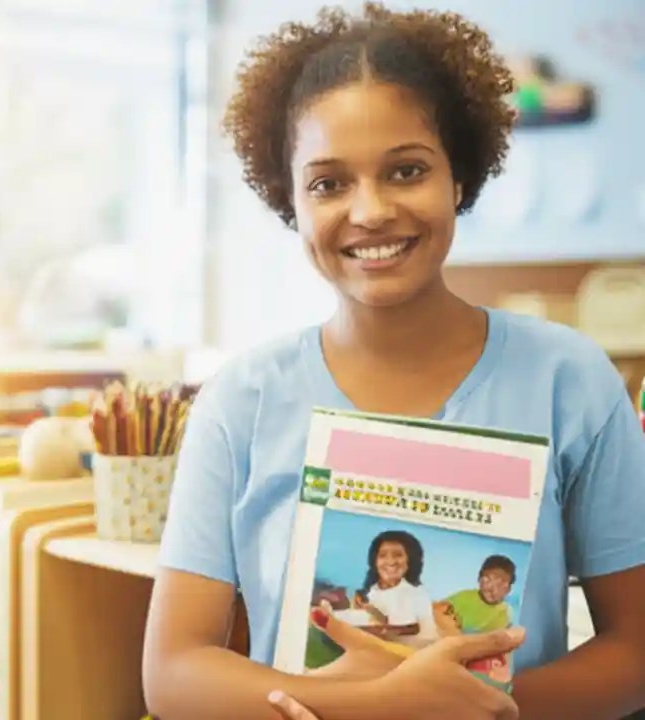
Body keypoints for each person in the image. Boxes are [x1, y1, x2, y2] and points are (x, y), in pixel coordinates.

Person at [140, 3, 645, 720]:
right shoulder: (241, 400)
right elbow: (174, 673)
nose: (370, 210)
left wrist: (470, 707)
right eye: (328, 183)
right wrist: (387, 706)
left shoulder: (572, 380)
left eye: (406, 170)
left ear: (459, 178)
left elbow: (635, 653)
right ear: (289, 199)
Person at [349, 530, 437, 645]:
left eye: (398, 555)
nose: (390, 562)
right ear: (374, 561)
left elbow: (412, 631)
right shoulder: (371, 593)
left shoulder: (415, 593)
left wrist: (376, 617)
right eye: (382, 556)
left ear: (410, 560)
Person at [438, 555, 517, 636]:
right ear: (479, 579)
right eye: (488, 580)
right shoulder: (464, 597)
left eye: (500, 584)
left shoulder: (505, 613)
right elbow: (437, 610)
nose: (492, 589)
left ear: (508, 589)